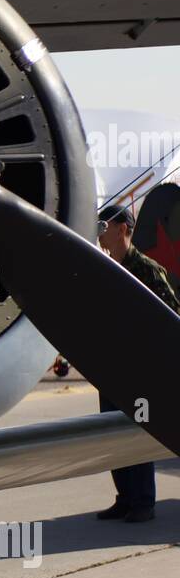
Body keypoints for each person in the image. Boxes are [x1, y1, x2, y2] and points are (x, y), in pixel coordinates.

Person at [96, 204, 180, 522]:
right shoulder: (102, 268)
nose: (100, 233)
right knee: (110, 433)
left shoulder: (146, 268)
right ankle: (125, 497)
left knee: (136, 432)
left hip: (139, 368)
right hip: (110, 366)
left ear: (123, 229)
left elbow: (170, 315)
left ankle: (143, 500)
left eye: (105, 225)